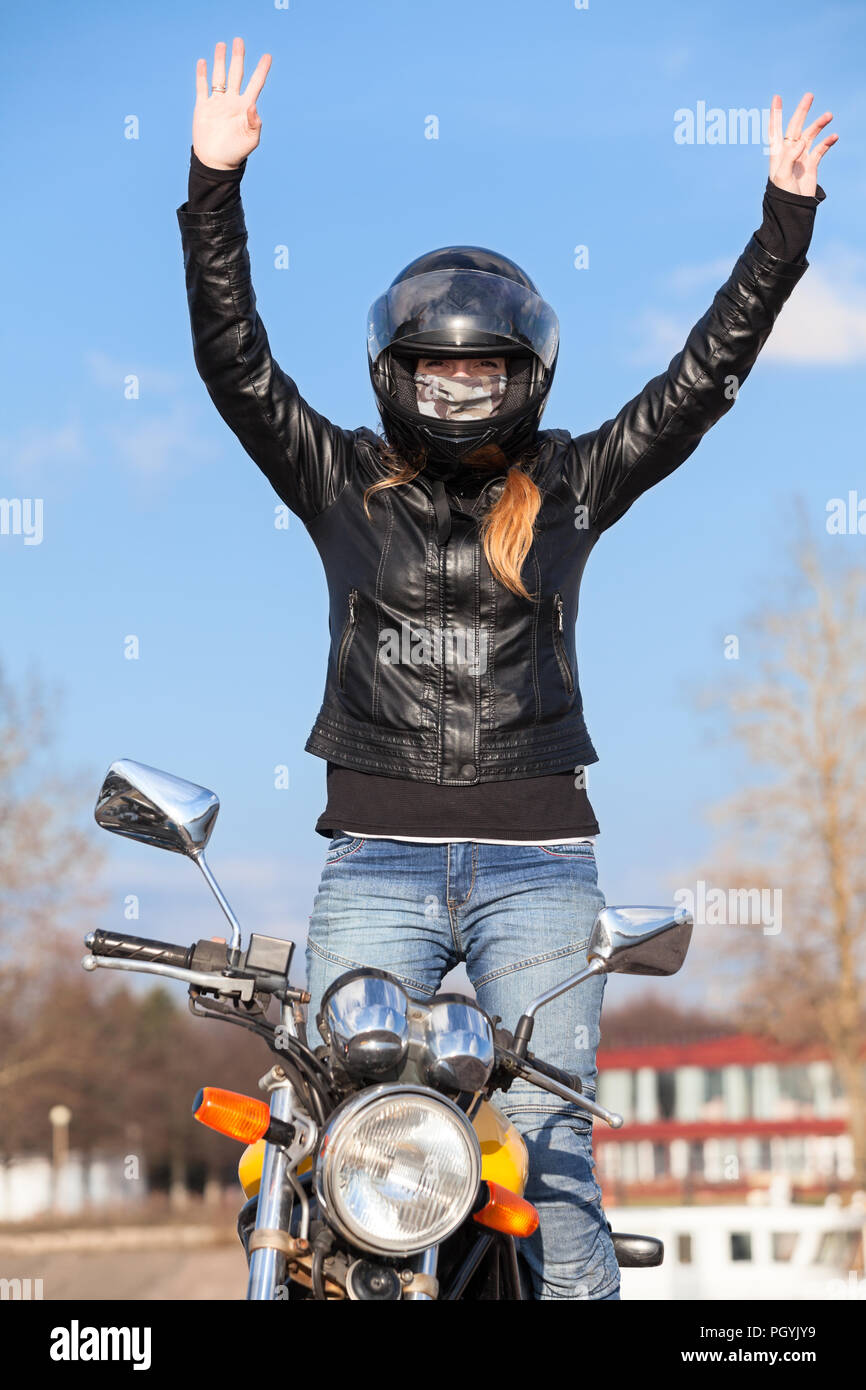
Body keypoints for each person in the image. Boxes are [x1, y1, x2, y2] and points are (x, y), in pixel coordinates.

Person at [177, 38, 835, 1299]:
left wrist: (782, 221)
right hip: (372, 848)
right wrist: (214, 187)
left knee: (555, 1160)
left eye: (483, 365)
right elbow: (233, 363)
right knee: (305, 1139)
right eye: (439, 365)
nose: (461, 384)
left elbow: (701, 380)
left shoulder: (573, 485)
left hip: (539, 862)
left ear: (523, 375)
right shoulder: (339, 481)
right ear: (399, 372)